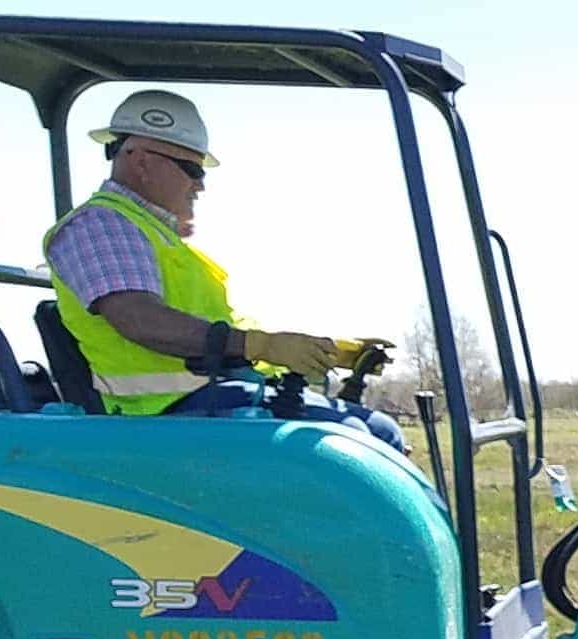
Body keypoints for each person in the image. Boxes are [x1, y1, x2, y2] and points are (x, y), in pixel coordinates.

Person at [41, 90, 405, 450]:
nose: (200, 184)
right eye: (192, 169)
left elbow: (223, 326)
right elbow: (139, 319)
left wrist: (328, 352)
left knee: (378, 429)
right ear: (139, 159)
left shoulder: (153, 237)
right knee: (359, 438)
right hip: (161, 420)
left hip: (213, 398)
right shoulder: (101, 225)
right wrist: (260, 345)